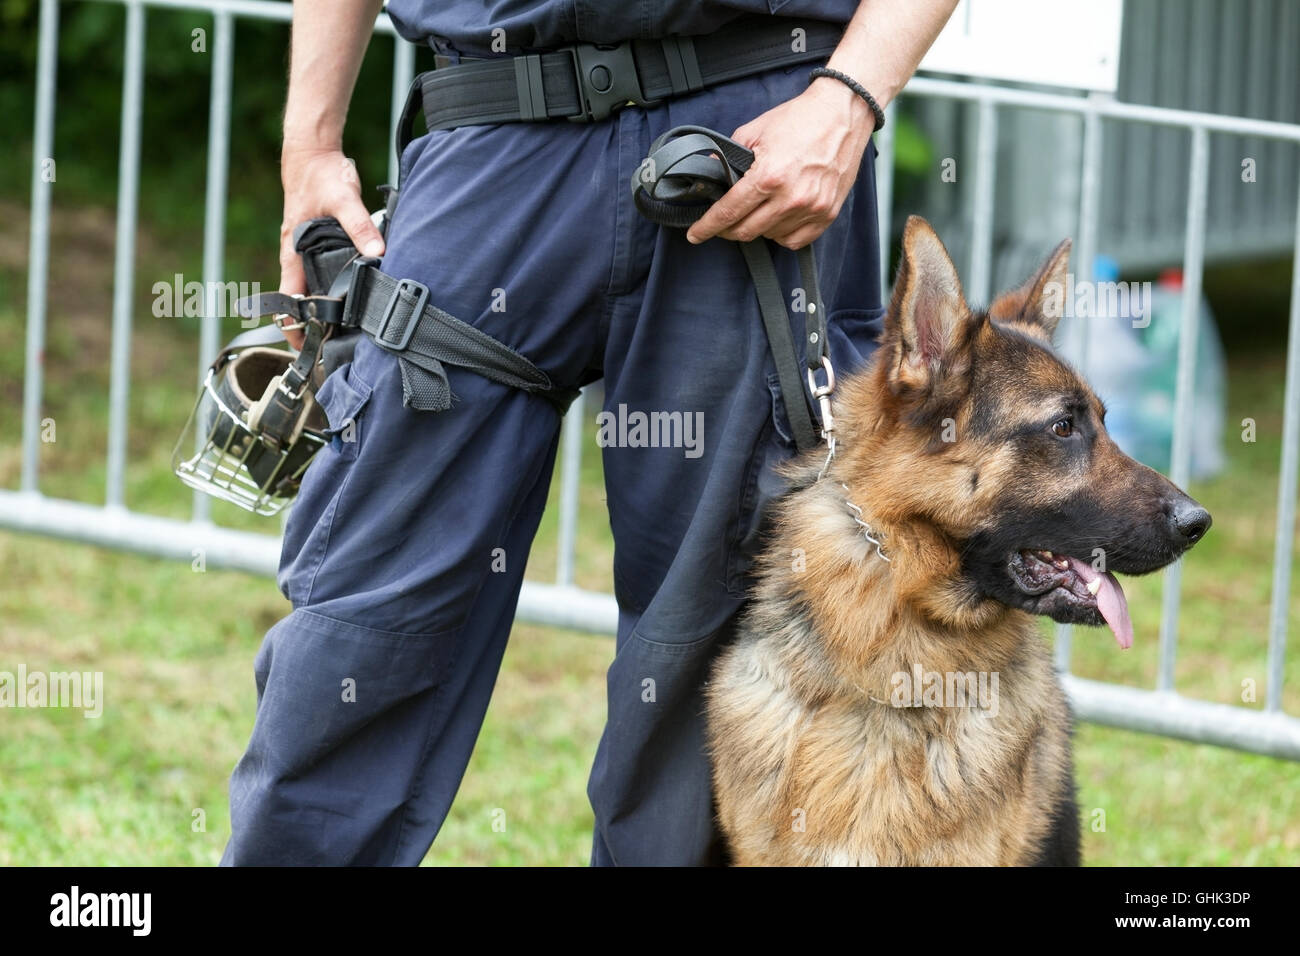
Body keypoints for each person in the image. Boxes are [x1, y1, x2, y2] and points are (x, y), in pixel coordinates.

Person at [222, 0, 958, 866]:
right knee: (362, 614)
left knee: (719, 640)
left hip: (755, 134)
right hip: (490, 124)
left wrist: (852, 94)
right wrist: (308, 147)